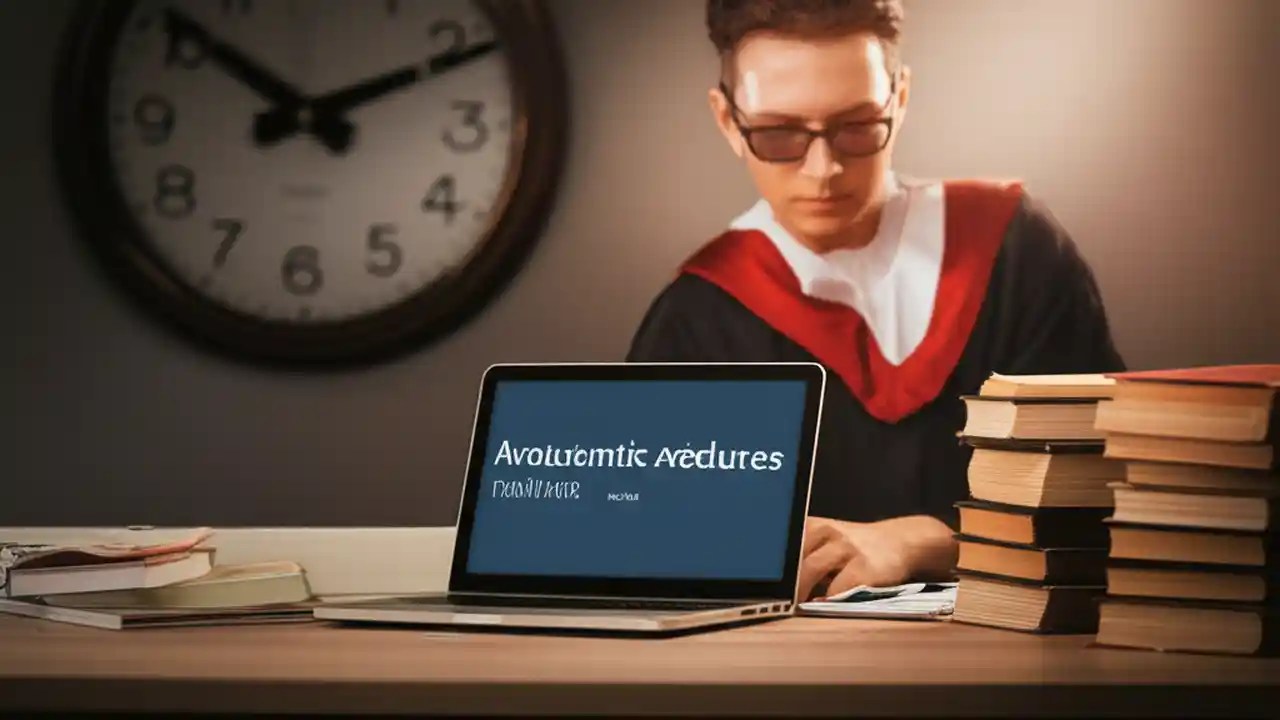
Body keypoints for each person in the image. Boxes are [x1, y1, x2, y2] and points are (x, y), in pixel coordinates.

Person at [626, 0, 1125, 601]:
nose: (824, 168)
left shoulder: (1017, 252)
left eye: (856, 126)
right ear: (729, 122)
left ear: (901, 98)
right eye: (779, 133)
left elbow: (1104, 500)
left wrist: (927, 541)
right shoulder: (698, 316)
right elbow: (656, 554)